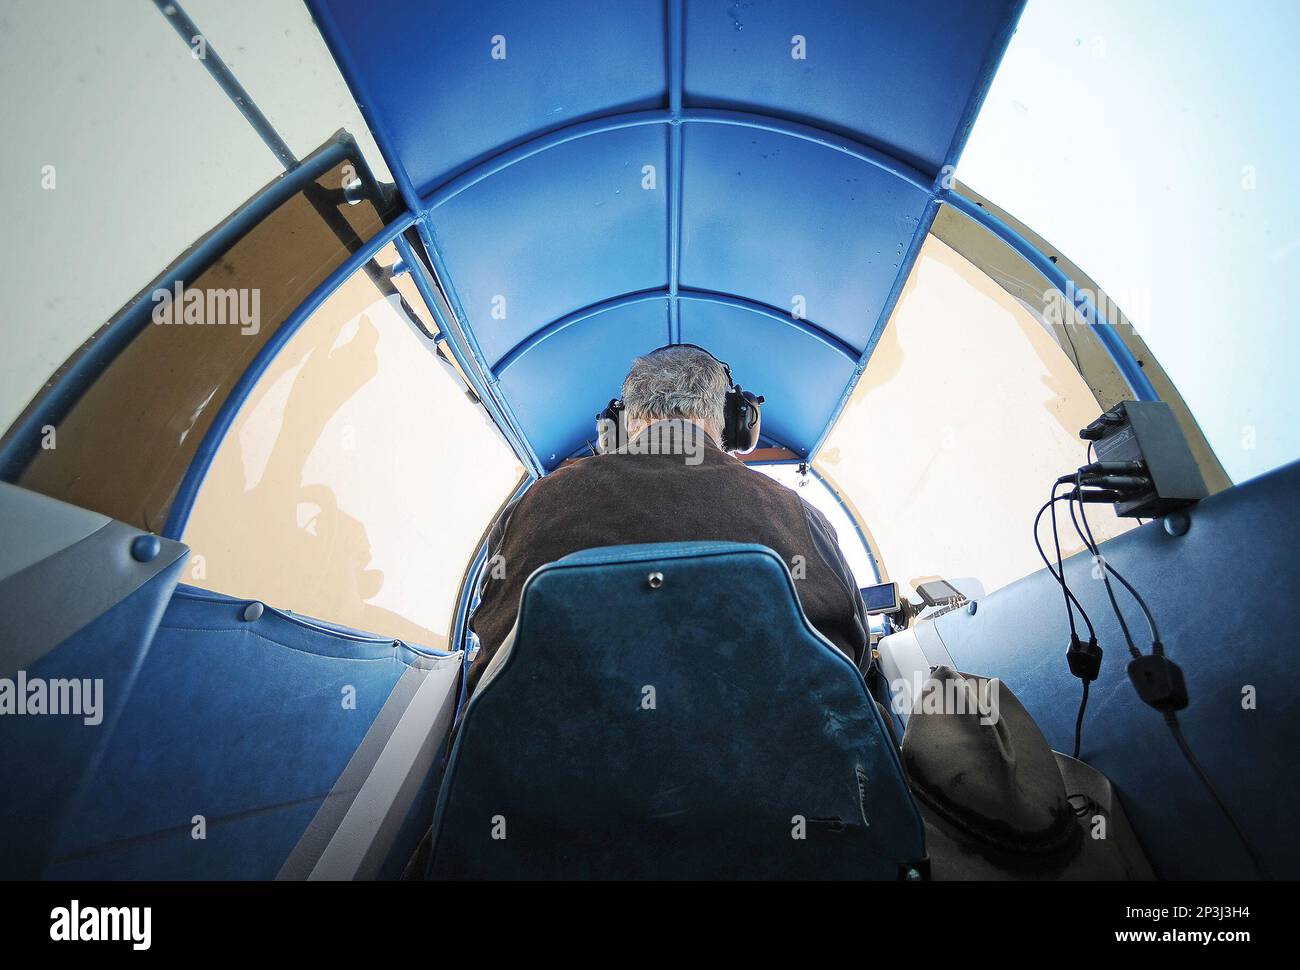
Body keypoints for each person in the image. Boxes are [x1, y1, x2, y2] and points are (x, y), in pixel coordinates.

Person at [466, 344, 869, 694]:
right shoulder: (799, 516)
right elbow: (854, 658)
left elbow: (489, 646)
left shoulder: (534, 505)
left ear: (618, 427)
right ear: (735, 420)